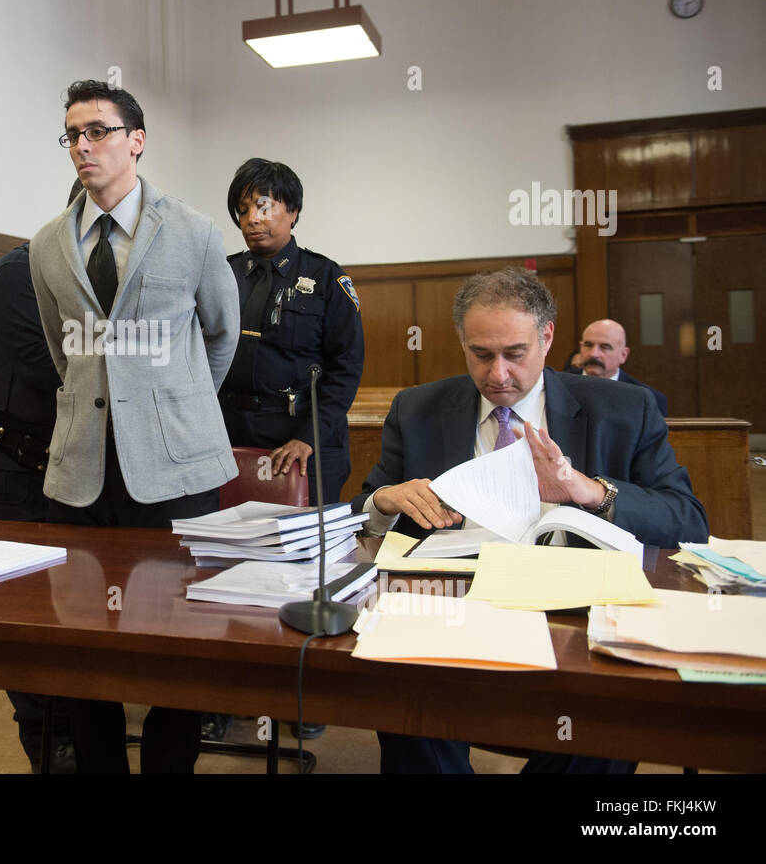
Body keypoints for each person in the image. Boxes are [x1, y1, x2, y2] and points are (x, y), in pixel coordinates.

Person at [354, 267, 708, 774]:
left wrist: (590, 491)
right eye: (481, 355)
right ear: (461, 341)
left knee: (609, 711)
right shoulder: (418, 409)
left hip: (577, 618)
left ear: (547, 338)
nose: (497, 374)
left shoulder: (625, 408)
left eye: (514, 354)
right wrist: (385, 500)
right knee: (401, 691)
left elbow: (688, 519)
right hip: (453, 609)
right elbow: (364, 511)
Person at [29, 79, 239, 774]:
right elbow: (66, 350)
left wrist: (170, 406)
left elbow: (220, 333)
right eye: (72, 135)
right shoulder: (47, 244)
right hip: (82, 467)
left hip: (175, 468)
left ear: (136, 140)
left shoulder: (195, 231)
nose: (82, 146)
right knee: (86, 641)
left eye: (97, 131)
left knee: (178, 637)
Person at [0, 181, 79, 774]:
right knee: (21, 614)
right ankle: (47, 741)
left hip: (77, 469)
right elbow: (51, 364)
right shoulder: (20, 270)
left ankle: (74, 734)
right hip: (14, 468)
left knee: (75, 609)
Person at [218, 158, 364, 504]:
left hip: (303, 438)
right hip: (230, 436)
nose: (252, 219)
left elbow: (346, 369)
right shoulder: (221, 274)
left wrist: (308, 438)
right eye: (242, 211)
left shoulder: (326, 277)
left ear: (293, 210)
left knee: (304, 548)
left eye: (263, 207)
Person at [572, 318, 668, 416]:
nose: (594, 354)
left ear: (623, 355)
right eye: (588, 345)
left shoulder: (648, 400)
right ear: (581, 347)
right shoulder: (559, 385)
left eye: (605, 347)